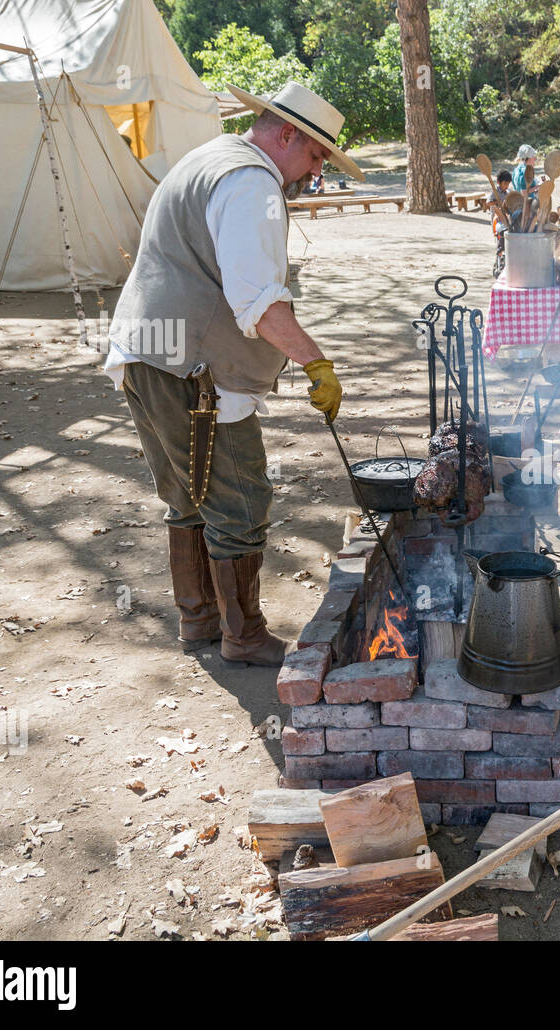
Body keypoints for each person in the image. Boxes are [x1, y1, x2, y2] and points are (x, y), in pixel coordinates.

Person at [102, 82, 362, 666]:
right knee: (241, 500)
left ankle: (200, 623)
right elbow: (260, 302)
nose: (314, 170)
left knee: (189, 497)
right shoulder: (250, 182)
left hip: (148, 353)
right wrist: (316, 361)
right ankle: (241, 636)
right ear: (287, 133)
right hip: (192, 370)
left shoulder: (211, 156)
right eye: (316, 154)